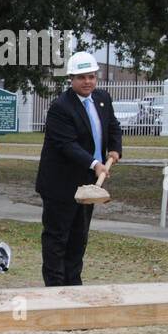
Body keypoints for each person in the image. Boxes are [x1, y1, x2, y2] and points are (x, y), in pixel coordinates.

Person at [35, 51, 122, 286]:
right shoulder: (60, 107)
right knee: (57, 238)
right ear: (71, 79)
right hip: (60, 183)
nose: (88, 82)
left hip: (88, 184)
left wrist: (115, 149)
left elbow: (113, 126)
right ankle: (54, 288)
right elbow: (67, 145)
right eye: (82, 77)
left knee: (78, 237)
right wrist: (95, 164)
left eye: (92, 77)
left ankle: (74, 285)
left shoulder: (102, 99)